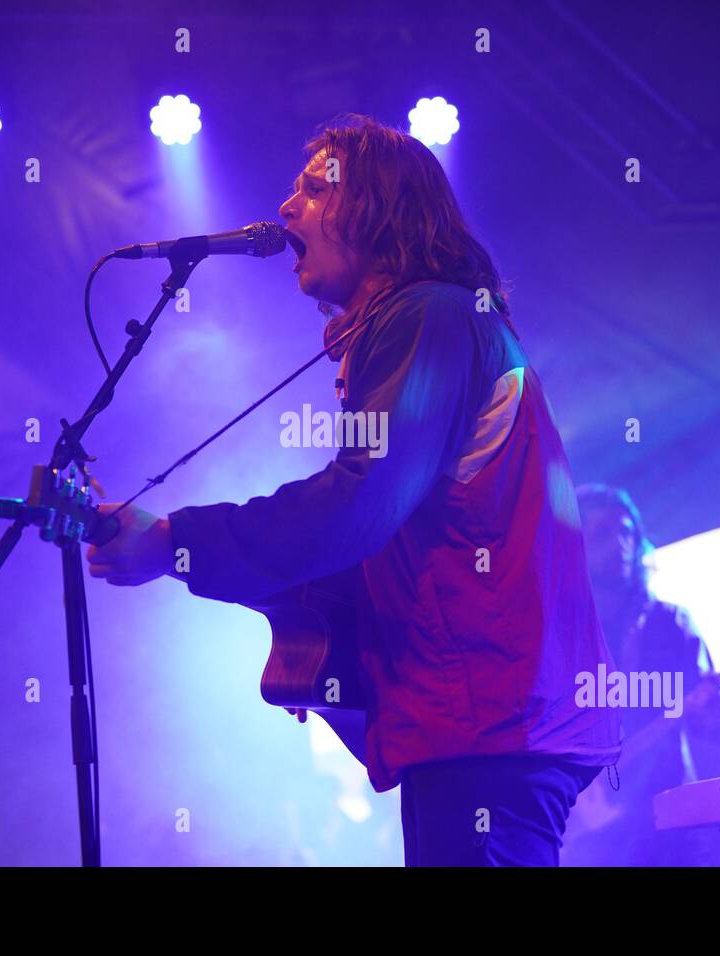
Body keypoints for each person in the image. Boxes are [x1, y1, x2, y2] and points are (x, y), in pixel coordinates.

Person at [85, 114, 620, 866]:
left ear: (378, 207)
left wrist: (177, 541)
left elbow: (356, 504)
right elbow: (403, 528)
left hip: (489, 720)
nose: (285, 208)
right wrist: (320, 643)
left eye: (313, 187)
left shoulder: (430, 313)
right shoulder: (431, 319)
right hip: (483, 721)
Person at [567, 484, 720, 865]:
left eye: (625, 531)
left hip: (670, 818)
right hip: (589, 831)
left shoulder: (672, 623)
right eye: (599, 533)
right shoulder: (561, 631)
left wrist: (715, 713)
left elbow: (717, 725)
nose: (618, 545)